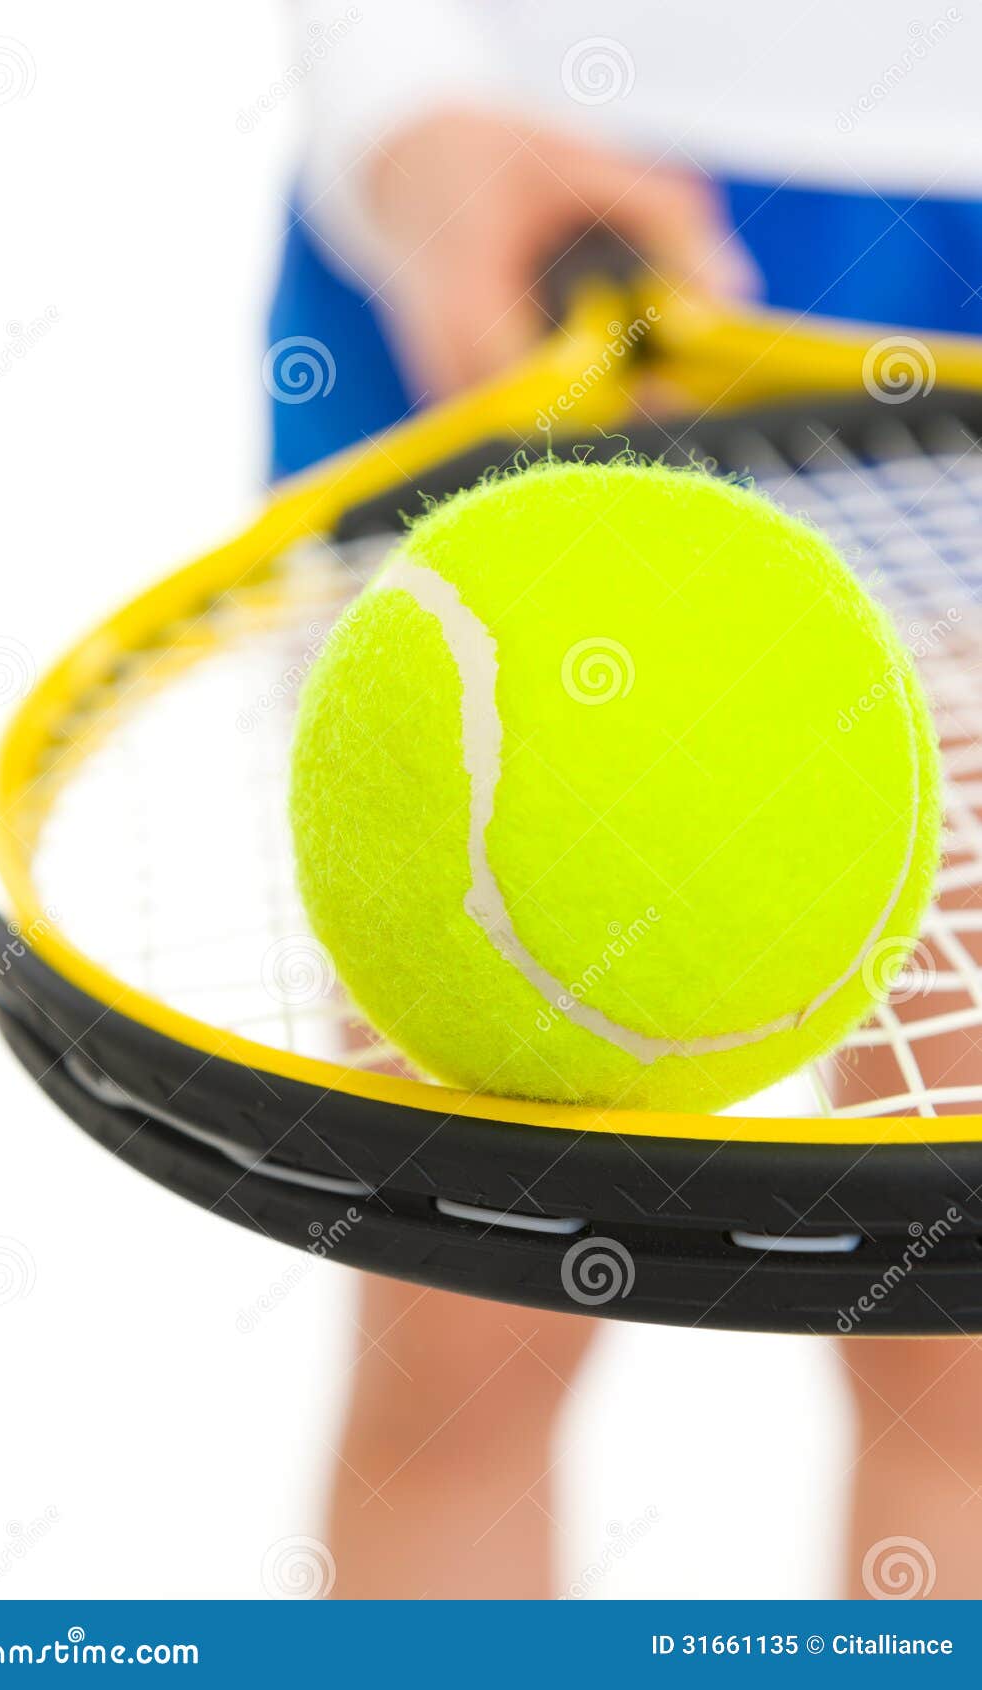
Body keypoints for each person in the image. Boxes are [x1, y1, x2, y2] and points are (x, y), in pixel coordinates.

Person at [270, 1, 982, 1599]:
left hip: (957, 192)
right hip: (531, 192)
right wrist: (402, 105)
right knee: (464, 1342)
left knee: (966, 1355)